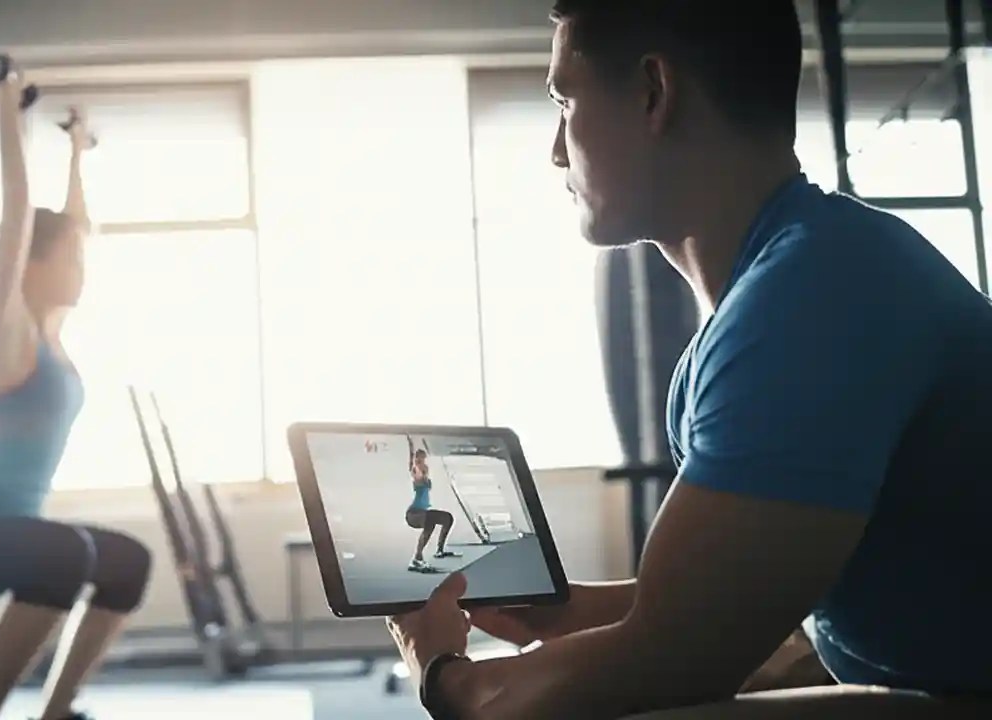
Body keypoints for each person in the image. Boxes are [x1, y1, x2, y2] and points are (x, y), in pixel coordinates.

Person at [387, 1, 992, 718]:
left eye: (564, 102)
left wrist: (443, 674)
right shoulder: (800, 279)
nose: (555, 150)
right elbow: (740, 601)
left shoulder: (809, 296)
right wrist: (561, 610)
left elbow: (676, 661)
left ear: (654, 92)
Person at [0, 68, 152, 720]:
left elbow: (77, 227)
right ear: (31, 265)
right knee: (66, 554)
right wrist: (6, 108)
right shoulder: (8, 332)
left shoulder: (53, 334)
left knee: (127, 563)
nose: (82, 270)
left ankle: (56, 712)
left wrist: (76, 150)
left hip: (7, 534)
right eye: (70, 260)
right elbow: (17, 216)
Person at [405, 436, 461, 573]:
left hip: (422, 512)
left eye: (423, 460)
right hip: (413, 514)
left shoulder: (425, 473)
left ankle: (439, 550)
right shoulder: (416, 474)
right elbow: (413, 465)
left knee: (447, 518)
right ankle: (416, 559)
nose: (422, 464)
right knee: (429, 520)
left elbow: (423, 468)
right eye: (420, 461)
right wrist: (411, 445)